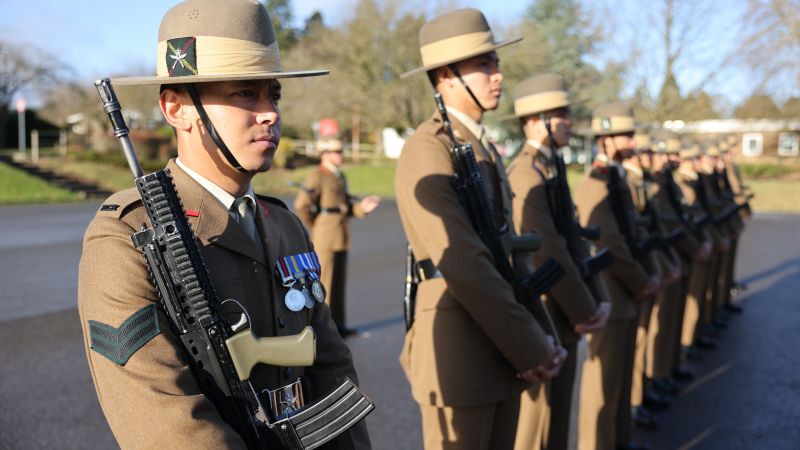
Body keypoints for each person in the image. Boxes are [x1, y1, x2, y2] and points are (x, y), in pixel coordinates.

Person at [77, 0, 370, 448]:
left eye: (273, 93)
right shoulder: (129, 236)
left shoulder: (284, 225)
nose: (270, 112)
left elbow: (330, 366)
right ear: (177, 109)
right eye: (244, 94)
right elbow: (164, 419)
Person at [396, 8, 566, 449]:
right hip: (461, 352)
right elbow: (465, 262)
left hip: (500, 343)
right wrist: (531, 345)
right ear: (447, 76)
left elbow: (512, 257)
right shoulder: (427, 149)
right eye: (484, 64)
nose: (498, 75)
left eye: (496, 62)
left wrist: (541, 334)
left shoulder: (480, 146)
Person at [505, 74, 611, 450]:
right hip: (547, 309)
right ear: (535, 120)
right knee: (538, 425)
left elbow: (572, 239)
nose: (569, 120)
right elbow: (546, 250)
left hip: (561, 307)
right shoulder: (526, 173)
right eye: (560, 113)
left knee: (559, 418)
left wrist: (590, 301)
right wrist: (584, 308)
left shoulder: (550, 168)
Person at [574, 102, 661, 450]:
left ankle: (617, 441)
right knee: (603, 386)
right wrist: (642, 280)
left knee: (620, 383)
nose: (632, 139)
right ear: (604, 140)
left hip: (624, 292)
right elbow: (611, 243)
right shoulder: (597, 183)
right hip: (612, 289)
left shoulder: (616, 179)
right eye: (624, 134)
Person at [294, 138, 381, 336]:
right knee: (326, 285)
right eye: (335, 151)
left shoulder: (339, 175)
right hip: (326, 236)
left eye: (341, 151)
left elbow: (347, 206)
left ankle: (338, 326)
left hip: (341, 235)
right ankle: (326, 332)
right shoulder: (318, 175)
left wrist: (362, 208)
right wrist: (317, 224)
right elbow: (302, 205)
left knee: (338, 285)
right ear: (324, 154)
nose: (340, 154)